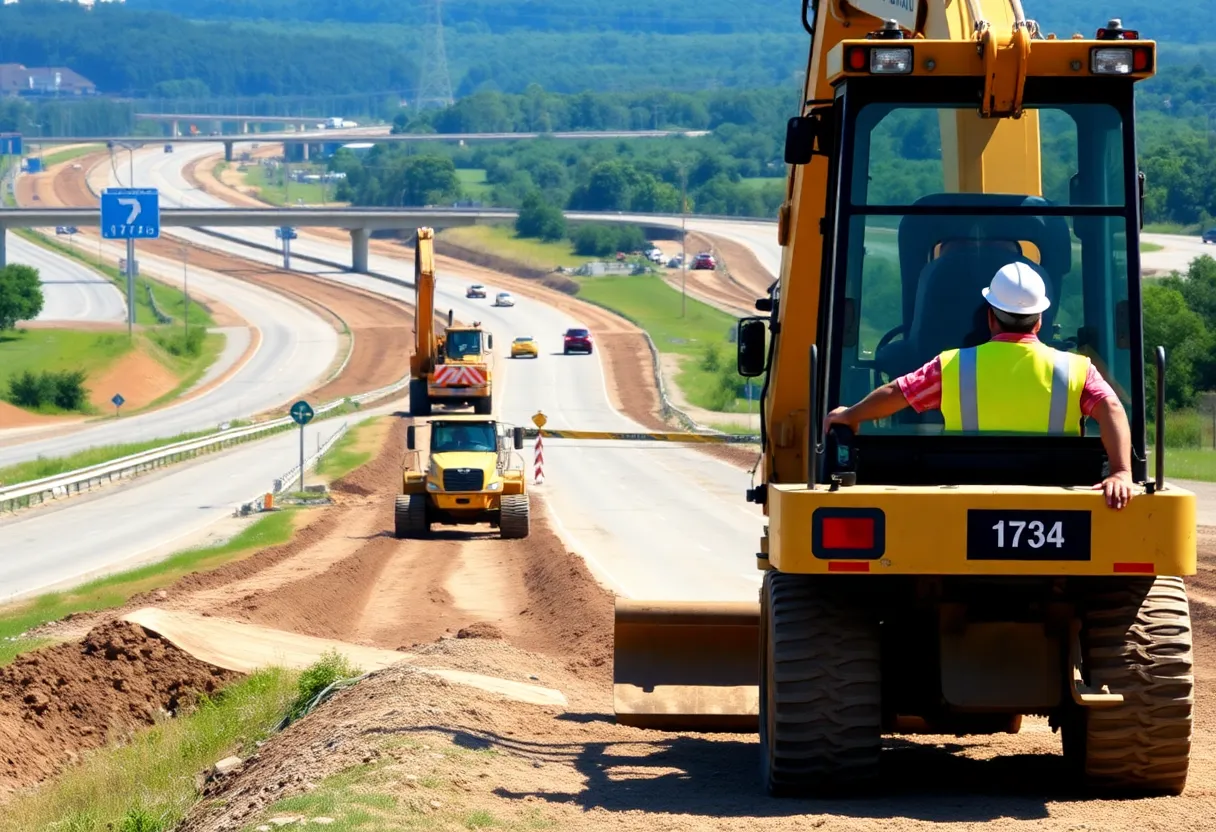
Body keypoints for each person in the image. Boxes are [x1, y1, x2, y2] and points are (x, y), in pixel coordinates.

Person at [825, 262, 1135, 510]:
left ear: (990, 317)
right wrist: (1121, 470)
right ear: (1039, 320)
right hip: (1055, 490)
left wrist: (851, 415)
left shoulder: (953, 366)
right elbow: (1110, 408)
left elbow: (898, 393)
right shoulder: (1076, 368)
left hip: (968, 486)